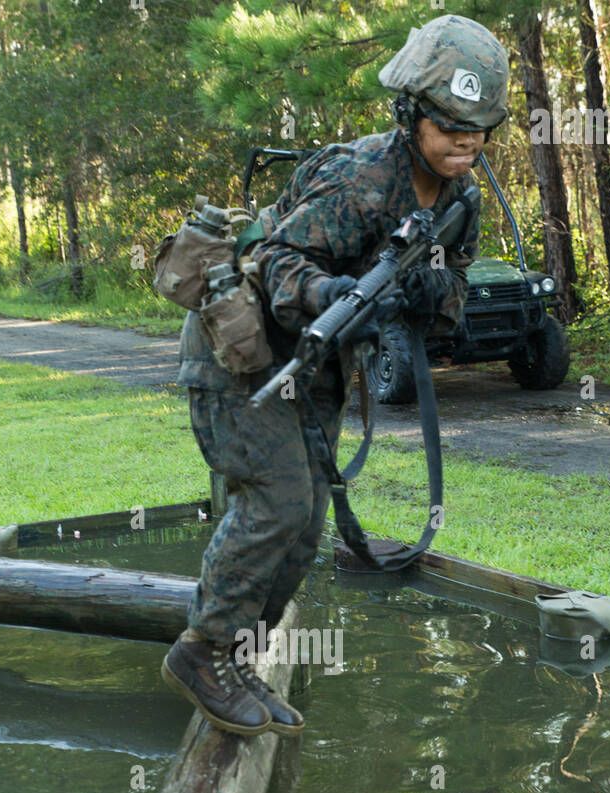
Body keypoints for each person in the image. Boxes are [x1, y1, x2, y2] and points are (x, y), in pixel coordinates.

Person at [162, 13, 509, 737]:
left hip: (316, 363)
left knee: (305, 522)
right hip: (243, 355)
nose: (465, 142)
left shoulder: (458, 204)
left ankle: (237, 659)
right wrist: (338, 298)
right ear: (412, 116)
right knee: (280, 501)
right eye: (450, 125)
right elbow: (283, 261)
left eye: (479, 128)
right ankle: (202, 653)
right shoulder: (358, 179)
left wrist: (425, 296)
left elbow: (450, 302)